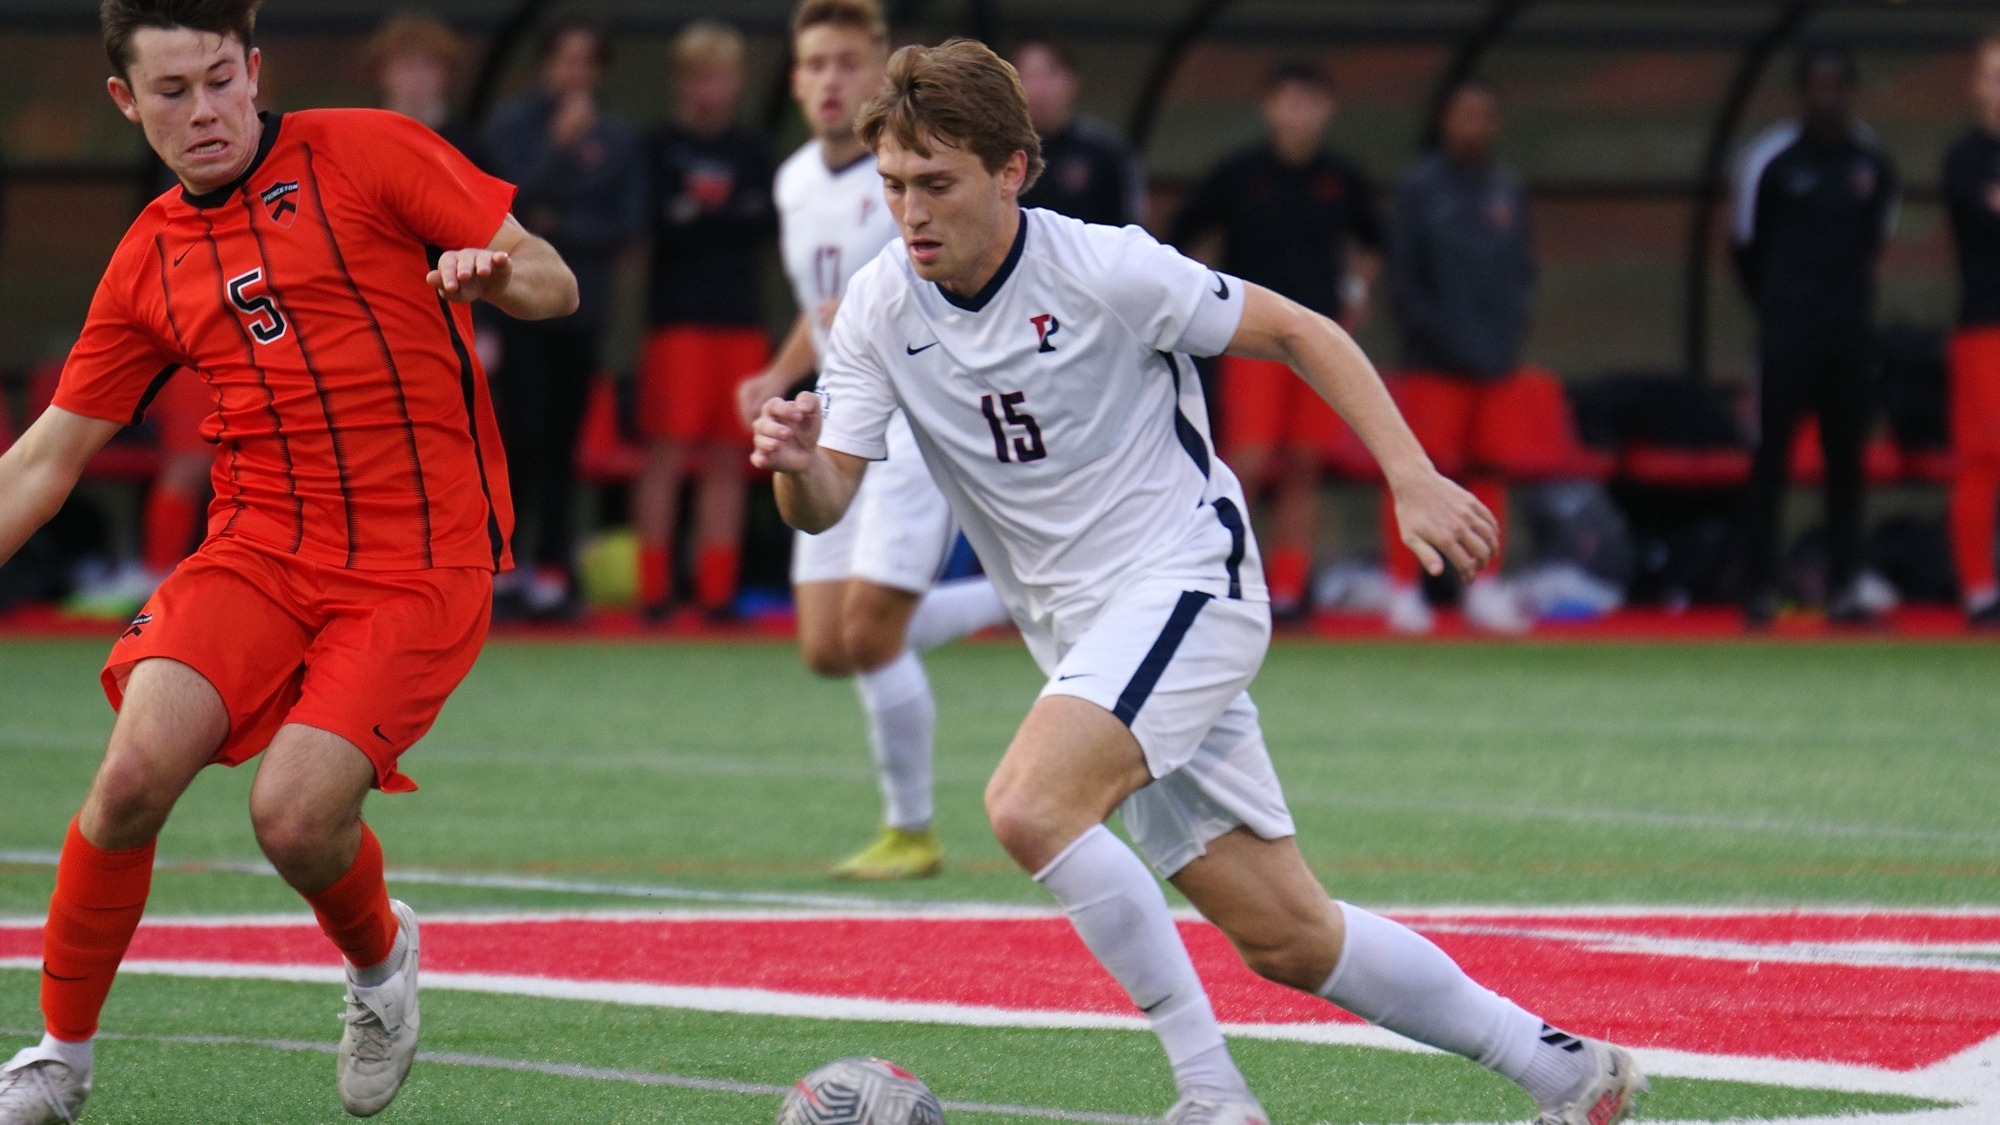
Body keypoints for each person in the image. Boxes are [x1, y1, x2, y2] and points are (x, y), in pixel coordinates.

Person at [753, 38, 1644, 1124]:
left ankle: (1212, 1097)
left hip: (1185, 580)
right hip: (1087, 636)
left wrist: (1409, 478)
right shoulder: (882, 310)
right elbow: (828, 497)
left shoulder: (1106, 268)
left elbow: (1300, 330)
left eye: (936, 184)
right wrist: (795, 472)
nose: (910, 213)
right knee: (1286, 935)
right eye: (893, 186)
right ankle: (1564, 1069)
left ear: (1012, 173)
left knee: (1030, 806)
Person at [0, 1, 577, 1121]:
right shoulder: (148, 255)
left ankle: (376, 963)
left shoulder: (368, 151)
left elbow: (551, 276)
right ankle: (58, 1060)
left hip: (420, 558)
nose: (204, 110)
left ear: (254, 67)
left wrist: (496, 278)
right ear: (126, 103)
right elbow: (44, 460)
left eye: (220, 79)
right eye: (171, 92)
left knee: (295, 817)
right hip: (260, 546)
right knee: (127, 781)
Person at [734, 0, 1010, 880]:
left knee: (872, 632)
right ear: (794, 78)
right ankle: (1013, 593)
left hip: (916, 428)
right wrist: (782, 371)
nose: (830, 80)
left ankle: (913, 830)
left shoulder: (909, 172)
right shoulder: (791, 182)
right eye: (815, 65)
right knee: (828, 646)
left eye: (848, 62)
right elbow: (819, 305)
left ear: (881, 67)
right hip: (840, 419)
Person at [1170, 60, 1382, 621]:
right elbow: (1184, 235)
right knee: (1248, 460)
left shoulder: (1341, 175)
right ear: (1269, 107)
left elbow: (1371, 241)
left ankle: (1289, 585)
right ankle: (1220, 571)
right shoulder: (1240, 172)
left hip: (1318, 340)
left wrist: (1355, 291)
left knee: (1304, 466)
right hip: (1254, 341)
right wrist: (1207, 303)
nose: (1298, 113)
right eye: (1288, 100)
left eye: (1310, 101)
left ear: (1327, 109)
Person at [485, 16, 644, 620]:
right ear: (546, 64)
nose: (573, 72)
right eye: (563, 59)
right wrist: (558, 149)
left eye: (586, 61)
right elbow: (507, 208)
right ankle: (504, 565)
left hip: (584, 314)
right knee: (515, 437)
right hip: (519, 307)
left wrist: (560, 225)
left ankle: (553, 568)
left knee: (562, 445)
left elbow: (626, 226)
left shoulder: (619, 137)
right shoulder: (515, 125)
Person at [1732, 44, 1897, 629]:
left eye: (1837, 85)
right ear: (1802, 92)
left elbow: (1877, 239)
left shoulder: (1871, 162)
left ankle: (1846, 585)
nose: (1827, 97)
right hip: (1785, 338)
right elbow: (1746, 246)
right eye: (1816, 86)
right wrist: (1783, 310)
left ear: (1850, 91)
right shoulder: (1773, 162)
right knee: (1769, 459)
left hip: (1849, 337)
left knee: (1846, 464)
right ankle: (1757, 588)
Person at [1383, 78, 1540, 635]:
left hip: (1494, 364)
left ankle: (1483, 586)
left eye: (1483, 115)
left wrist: (1505, 339)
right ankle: (1407, 589)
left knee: (1487, 473)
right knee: (1420, 470)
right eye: (1463, 114)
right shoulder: (1421, 189)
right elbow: (1403, 278)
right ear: (1444, 120)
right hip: (1434, 362)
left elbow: (1523, 273)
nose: (1473, 126)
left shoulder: (1505, 189)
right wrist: (1437, 337)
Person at [633, 20, 777, 621]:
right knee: (665, 457)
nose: (707, 90)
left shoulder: (753, 150)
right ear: (680, 83)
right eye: (696, 78)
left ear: (736, 82)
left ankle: (716, 592)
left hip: (739, 322)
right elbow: (658, 223)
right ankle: (655, 591)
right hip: (677, 322)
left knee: (727, 457)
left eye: (717, 77)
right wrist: (717, 217)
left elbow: (762, 223)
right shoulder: (658, 147)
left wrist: (699, 216)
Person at [1944, 32, 2000, 629]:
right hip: (1987, 329)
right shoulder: (1967, 157)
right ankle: (1980, 589)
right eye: (1993, 76)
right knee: (1985, 461)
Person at [1010, 35, 1144, 228]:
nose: (1040, 88)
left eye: (1049, 74)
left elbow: (1130, 222)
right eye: (1029, 76)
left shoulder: (1106, 152)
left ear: (1072, 80)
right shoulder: (997, 154)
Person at [365, 11, 485, 165]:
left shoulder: (468, 149)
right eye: (408, 66)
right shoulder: (364, 143)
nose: (418, 78)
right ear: (382, 72)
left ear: (446, 74)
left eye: (428, 66)